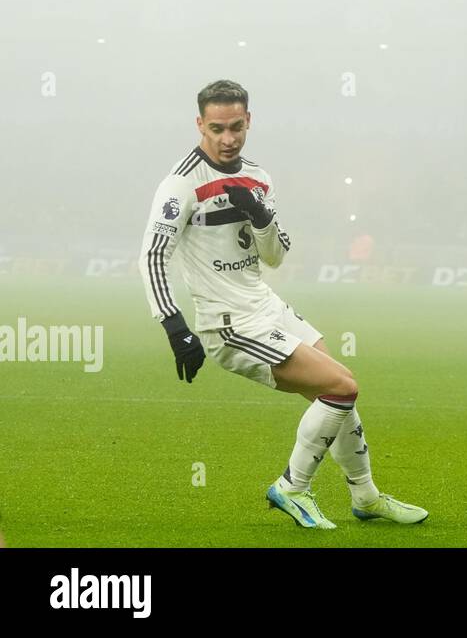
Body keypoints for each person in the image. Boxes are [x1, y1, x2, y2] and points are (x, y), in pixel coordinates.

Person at [138, 79, 426, 529]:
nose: (228, 138)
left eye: (236, 126)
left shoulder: (258, 177)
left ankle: (366, 497)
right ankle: (292, 487)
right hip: (228, 323)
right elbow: (153, 256)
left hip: (267, 306)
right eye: (217, 128)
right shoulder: (181, 184)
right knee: (341, 388)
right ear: (200, 124)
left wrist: (260, 214)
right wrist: (175, 326)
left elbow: (276, 255)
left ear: (249, 120)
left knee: (340, 392)